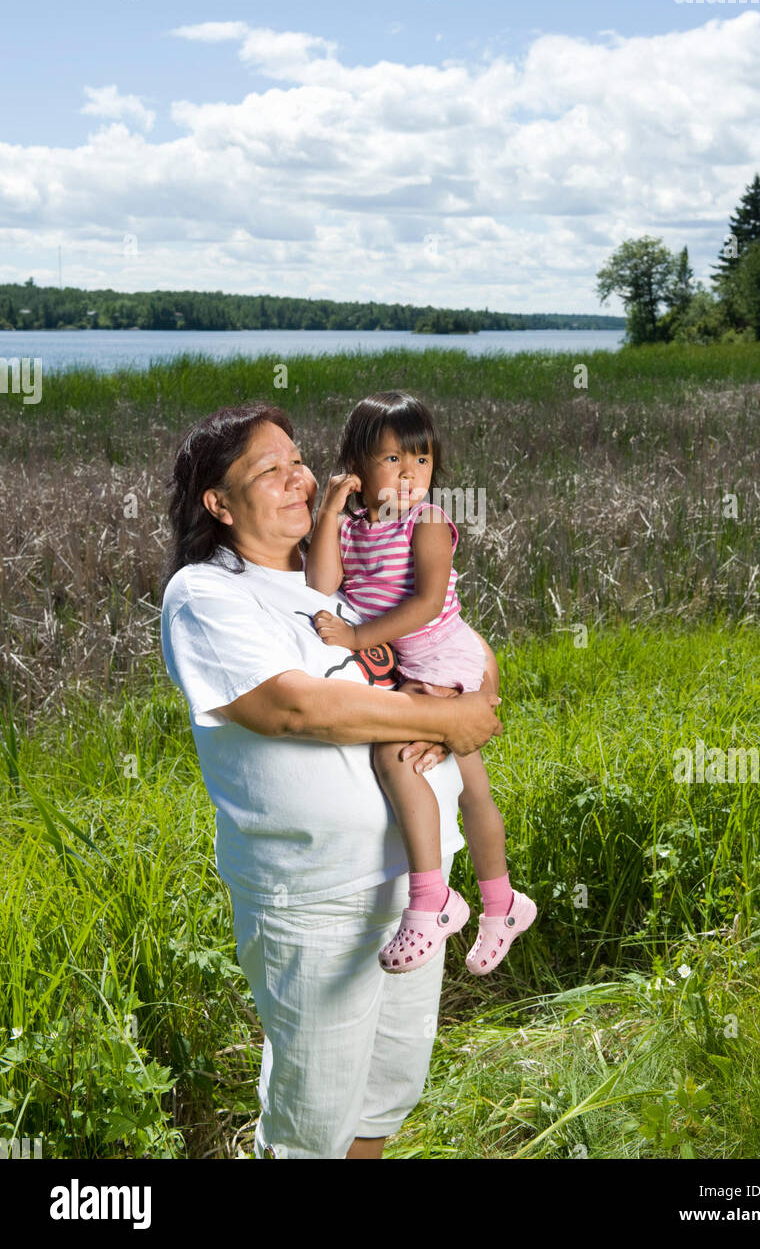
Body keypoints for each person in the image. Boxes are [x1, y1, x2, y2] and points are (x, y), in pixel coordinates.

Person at [160, 401, 503, 1160]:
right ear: (218, 503)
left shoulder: (330, 578)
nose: (298, 477)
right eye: (269, 469)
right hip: (317, 896)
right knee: (313, 1122)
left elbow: (442, 627)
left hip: (417, 889)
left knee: (382, 1100)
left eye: (298, 461)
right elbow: (291, 707)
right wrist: (447, 723)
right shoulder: (209, 595)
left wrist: (473, 690)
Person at [304, 391, 536, 977]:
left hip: (441, 653)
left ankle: (432, 900)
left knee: (396, 753)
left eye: (422, 461)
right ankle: (503, 902)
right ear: (355, 466)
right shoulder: (354, 526)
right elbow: (322, 583)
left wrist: (357, 640)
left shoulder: (427, 521)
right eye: (391, 461)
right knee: (470, 787)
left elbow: (431, 603)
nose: (410, 475)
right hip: (413, 665)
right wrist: (329, 512)